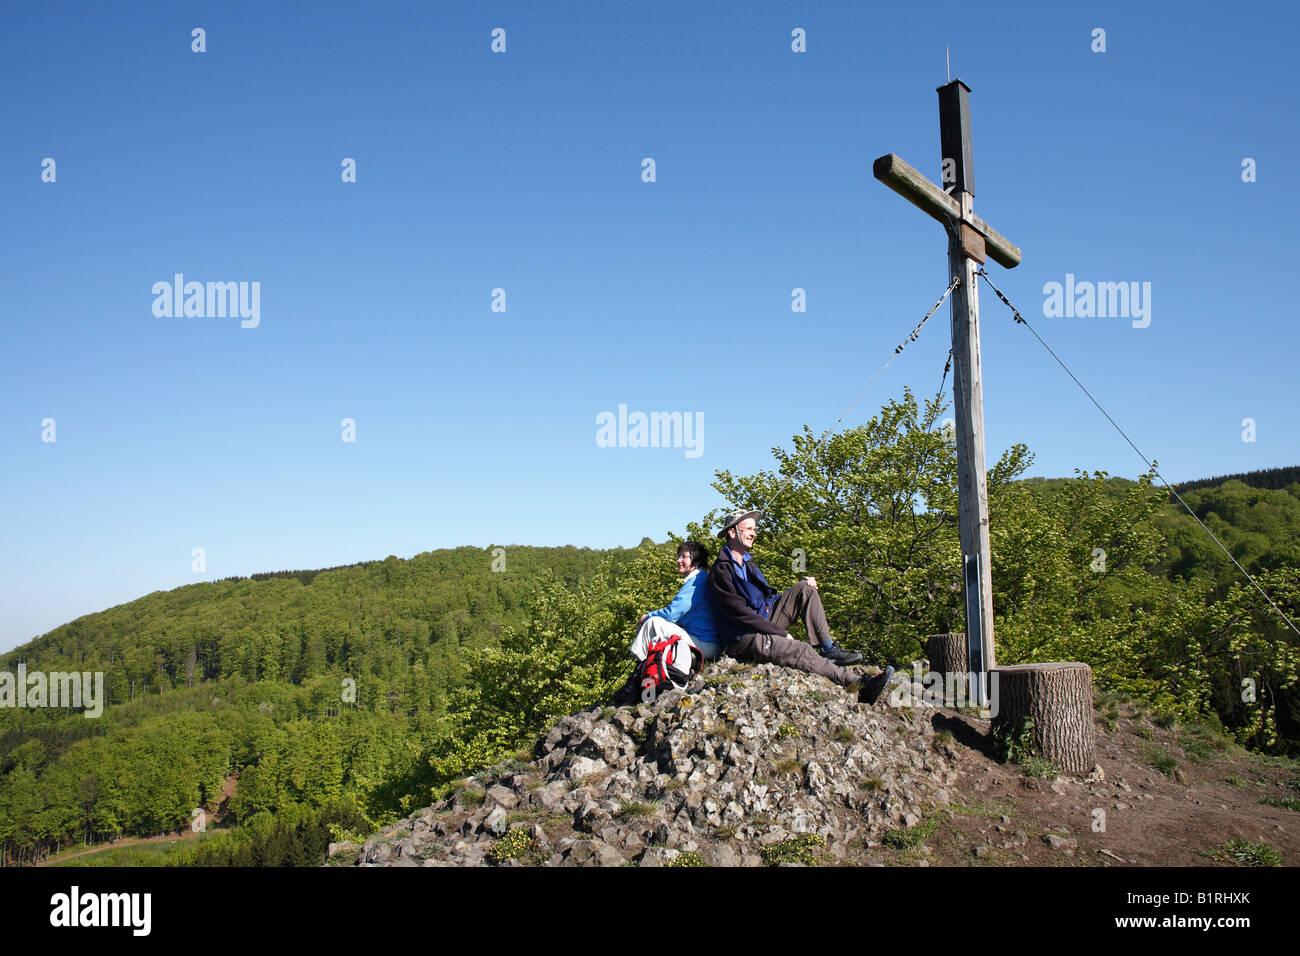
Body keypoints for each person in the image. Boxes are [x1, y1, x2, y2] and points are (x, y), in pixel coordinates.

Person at [707, 508, 894, 705]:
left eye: (754, 529)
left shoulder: (748, 564)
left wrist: (795, 590)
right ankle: (859, 685)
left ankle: (828, 648)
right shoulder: (721, 571)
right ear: (732, 532)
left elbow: (767, 597)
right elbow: (739, 614)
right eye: (749, 529)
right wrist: (778, 631)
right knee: (801, 650)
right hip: (742, 637)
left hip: (762, 620)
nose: (754, 533)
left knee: (805, 588)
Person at [612, 541, 719, 705]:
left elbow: (673, 612)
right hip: (703, 639)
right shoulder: (699, 578)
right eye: (678, 556)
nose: (678, 560)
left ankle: (637, 679)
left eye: (684, 556)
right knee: (657, 632)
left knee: (653, 623)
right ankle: (645, 685)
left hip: (704, 642)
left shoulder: (697, 580)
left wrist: (647, 617)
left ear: (696, 561)